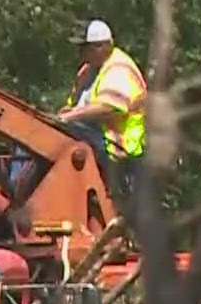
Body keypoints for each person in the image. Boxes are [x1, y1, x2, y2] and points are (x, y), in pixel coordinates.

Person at [56, 19, 147, 207]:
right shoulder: (88, 71)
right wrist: (60, 116)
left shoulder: (119, 68)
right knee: (37, 131)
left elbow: (109, 106)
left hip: (117, 144)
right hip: (97, 135)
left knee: (55, 134)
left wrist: (67, 118)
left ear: (101, 46)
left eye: (85, 48)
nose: (81, 53)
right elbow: (73, 104)